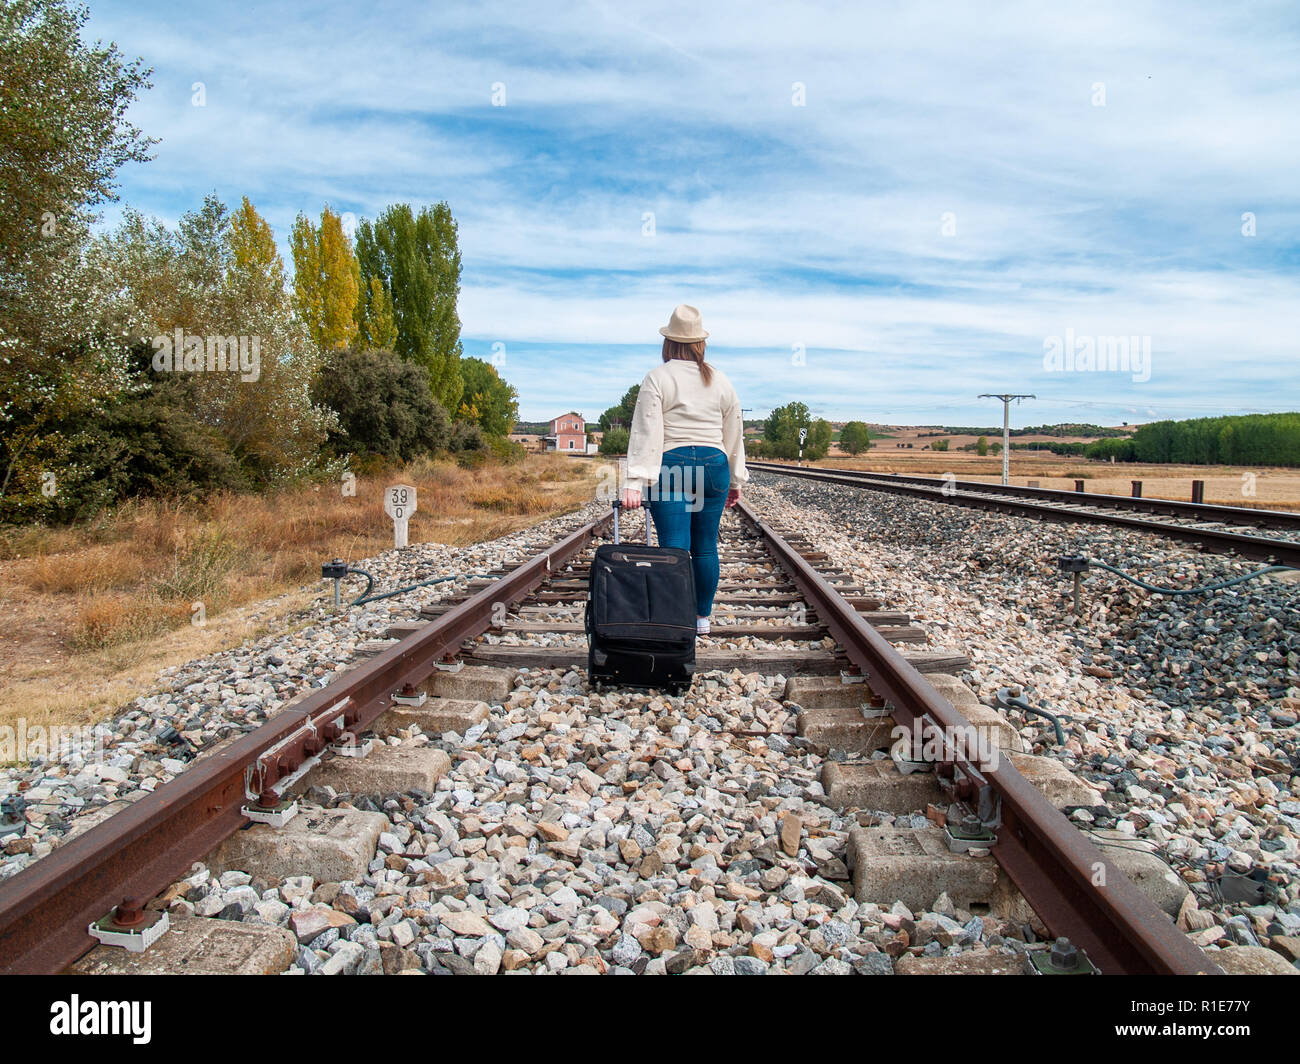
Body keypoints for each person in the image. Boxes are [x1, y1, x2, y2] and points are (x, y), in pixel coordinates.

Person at [621, 304, 749, 635]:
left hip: (672, 465)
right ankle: (701, 619)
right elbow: (734, 433)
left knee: (674, 545)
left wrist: (634, 480)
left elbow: (646, 430)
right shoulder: (720, 380)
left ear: (669, 342)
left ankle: (674, 619)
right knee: (704, 546)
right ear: (699, 343)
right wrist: (735, 480)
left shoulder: (657, 378)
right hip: (714, 467)